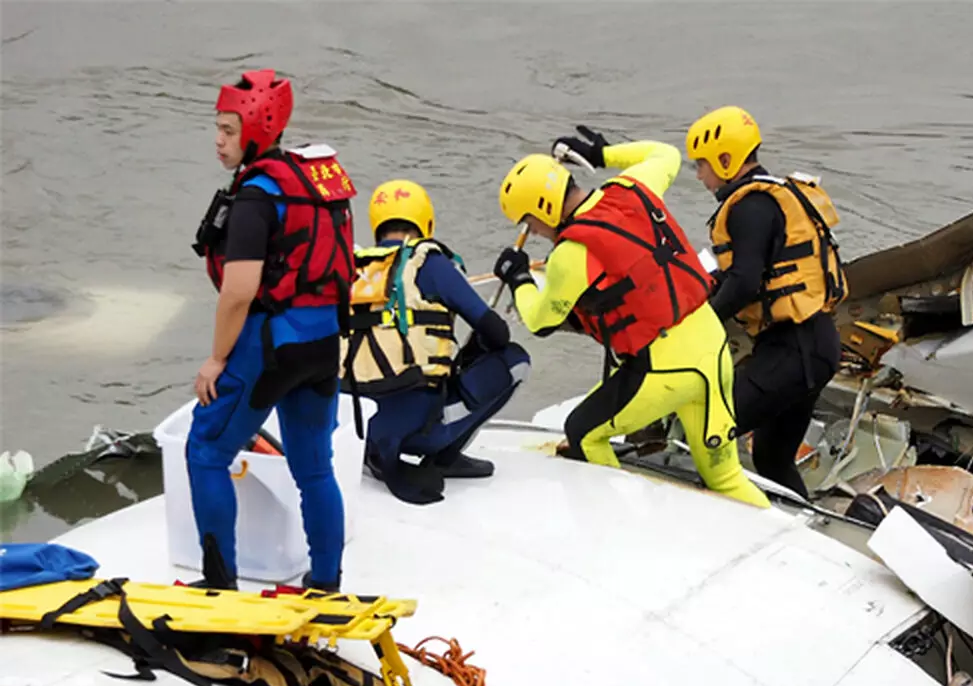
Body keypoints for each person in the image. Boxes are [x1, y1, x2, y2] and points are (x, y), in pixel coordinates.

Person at [492, 127, 770, 509]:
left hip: (668, 370)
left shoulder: (571, 255)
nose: (535, 233)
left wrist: (518, 278)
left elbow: (540, 320)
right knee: (725, 477)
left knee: (583, 432)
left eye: (530, 224)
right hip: (712, 348)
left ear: (541, 209)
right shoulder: (630, 188)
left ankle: (617, 526)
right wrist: (602, 153)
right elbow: (664, 153)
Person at [189, 69, 356, 591]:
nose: (218, 141)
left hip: (269, 347)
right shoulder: (316, 181)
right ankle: (326, 580)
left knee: (206, 452)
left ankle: (218, 586)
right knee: (314, 469)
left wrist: (216, 359)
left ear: (258, 128)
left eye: (228, 130)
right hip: (324, 344)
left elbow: (239, 291)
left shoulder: (257, 197)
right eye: (216, 128)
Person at [686, 106, 847, 500]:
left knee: (712, 429)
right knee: (773, 459)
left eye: (702, 165)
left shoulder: (748, 207)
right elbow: (752, 272)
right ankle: (804, 526)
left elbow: (743, 283)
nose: (699, 175)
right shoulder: (771, 196)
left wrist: (696, 325)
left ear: (726, 160)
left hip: (794, 351)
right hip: (817, 345)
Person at [342, 179, 530, 505]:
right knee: (516, 361)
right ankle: (444, 456)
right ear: (425, 222)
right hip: (419, 434)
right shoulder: (430, 262)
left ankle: (377, 449)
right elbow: (498, 334)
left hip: (354, 430)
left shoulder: (353, 268)